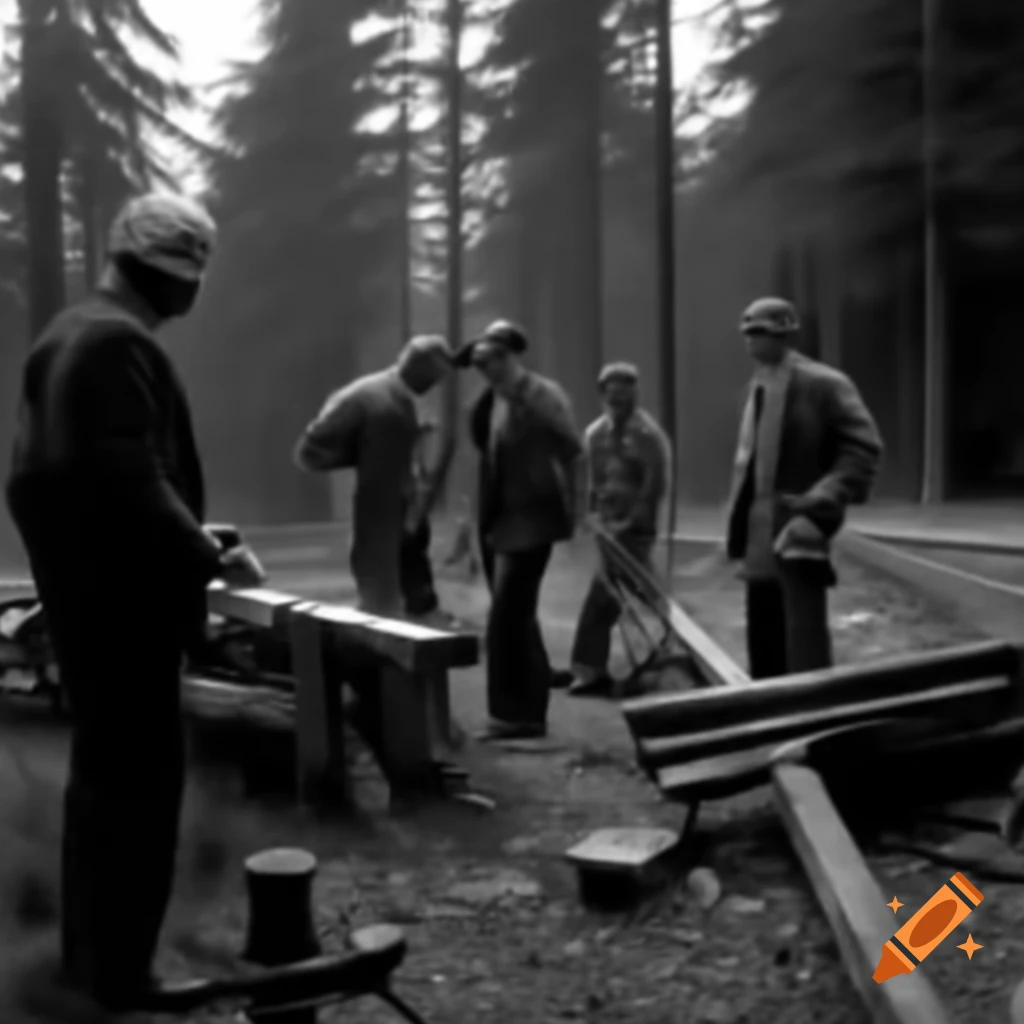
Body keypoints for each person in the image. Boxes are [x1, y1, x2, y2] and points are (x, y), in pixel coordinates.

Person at [5, 192, 264, 1011]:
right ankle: (124, 976)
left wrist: (163, 535)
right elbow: (128, 475)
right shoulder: (117, 343)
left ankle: (92, 963)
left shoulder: (65, 336)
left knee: (101, 788)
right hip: (126, 617)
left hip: (87, 608)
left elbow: (44, 481)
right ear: (176, 272)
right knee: (141, 797)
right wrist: (200, 552)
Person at [725, 296, 883, 679]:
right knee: (763, 629)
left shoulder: (824, 385)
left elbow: (862, 449)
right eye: (747, 333)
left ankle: (811, 719)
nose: (750, 341)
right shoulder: (756, 387)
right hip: (761, 528)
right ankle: (767, 709)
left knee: (802, 634)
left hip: (800, 525)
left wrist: (823, 499)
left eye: (759, 333)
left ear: (784, 334)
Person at [453, 319, 584, 740]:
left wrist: (577, 510)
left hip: (533, 519)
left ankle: (519, 714)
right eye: (480, 362)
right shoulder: (489, 404)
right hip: (499, 520)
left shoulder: (541, 397)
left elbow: (572, 451)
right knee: (516, 612)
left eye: (492, 360)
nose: (485, 368)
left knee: (507, 616)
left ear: (511, 357)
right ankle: (532, 688)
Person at [293, 335, 452, 617]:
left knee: (410, 600)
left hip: (403, 516)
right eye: (437, 375)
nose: (438, 383)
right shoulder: (376, 400)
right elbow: (311, 452)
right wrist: (359, 455)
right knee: (382, 603)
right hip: (383, 517)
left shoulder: (395, 396)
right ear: (422, 370)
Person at [564, 362, 672, 696]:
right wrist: (589, 516)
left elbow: (654, 484)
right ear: (603, 396)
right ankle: (662, 652)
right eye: (612, 396)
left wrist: (632, 521)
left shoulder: (648, 436)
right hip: (606, 528)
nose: (619, 403)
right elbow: (590, 482)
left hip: (635, 530)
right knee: (618, 593)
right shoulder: (595, 434)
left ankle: (595, 666)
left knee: (615, 593)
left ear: (636, 395)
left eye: (625, 396)